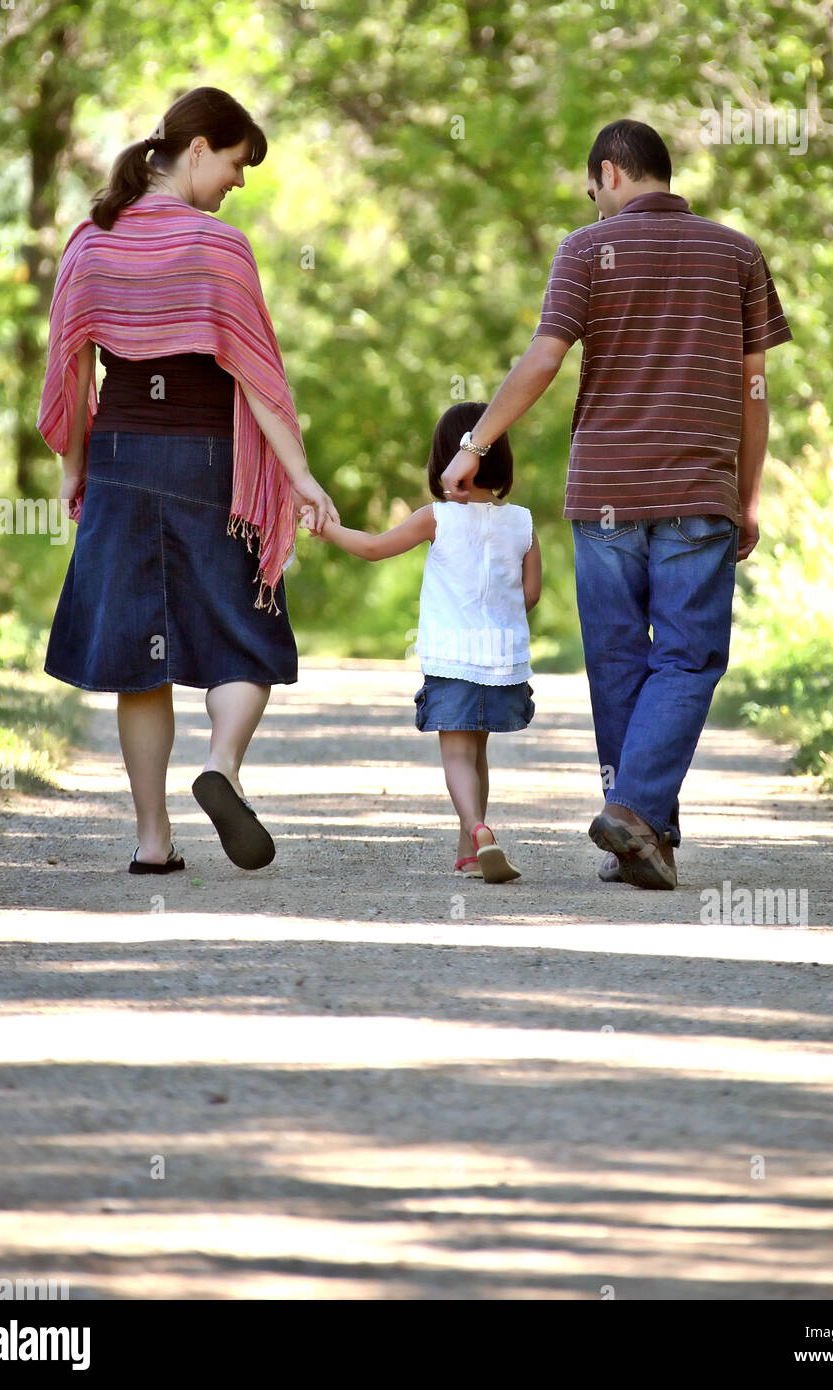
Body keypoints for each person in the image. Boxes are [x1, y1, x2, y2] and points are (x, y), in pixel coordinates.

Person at [440, 120, 793, 890]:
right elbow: (753, 389)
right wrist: (750, 491)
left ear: (610, 173)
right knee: (688, 655)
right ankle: (639, 817)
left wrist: (474, 443)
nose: (591, 201)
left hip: (605, 492)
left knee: (618, 658)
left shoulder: (583, 250)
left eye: (591, 187)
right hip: (700, 488)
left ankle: (637, 827)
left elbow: (542, 357)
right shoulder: (735, 251)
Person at [36, 87, 338, 875]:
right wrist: (300, 477)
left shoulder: (91, 242)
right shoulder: (218, 247)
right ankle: (224, 767)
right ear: (199, 148)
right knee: (247, 636)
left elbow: (70, 374)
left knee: (140, 656)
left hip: (121, 460)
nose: (239, 183)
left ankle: (152, 844)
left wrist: (74, 468)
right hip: (212, 461)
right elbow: (260, 379)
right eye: (238, 164)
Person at [302, 403, 541, 882]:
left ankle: (476, 828)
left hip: (453, 660)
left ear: (443, 461)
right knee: (478, 754)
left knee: (455, 756)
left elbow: (372, 549)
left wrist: (325, 529)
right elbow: (530, 594)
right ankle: (471, 851)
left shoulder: (437, 518)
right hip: (501, 661)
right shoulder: (523, 522)